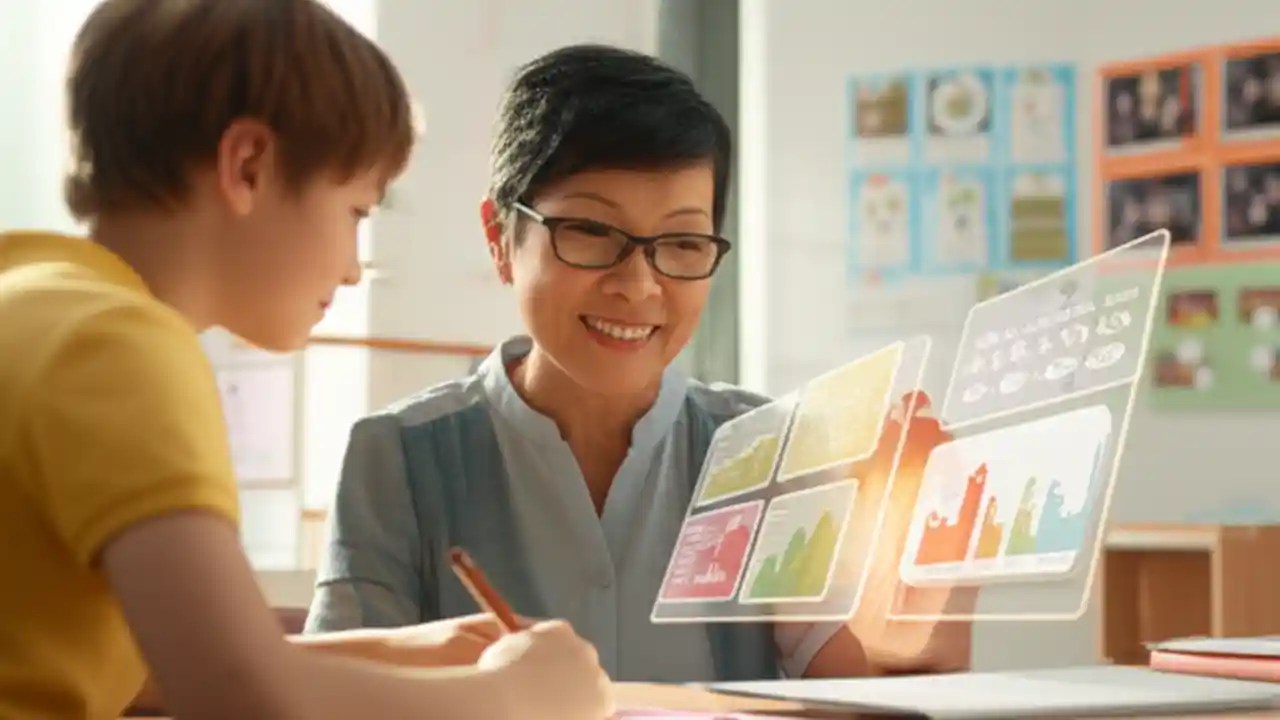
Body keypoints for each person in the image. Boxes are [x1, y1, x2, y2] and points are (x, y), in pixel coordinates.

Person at [0, 1, 614, 718]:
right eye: (356, 211)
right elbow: (237, 693)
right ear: (249, 165)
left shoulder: (36, 301)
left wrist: (401, 650)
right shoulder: (123, 348)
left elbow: (147, 665)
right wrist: (515, 697)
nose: (354, 270)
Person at [307, 44, 970, 680]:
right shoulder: (396, 457)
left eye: (682, 242)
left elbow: (865, 689)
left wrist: (925, 578)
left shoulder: (772, 451)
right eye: (592, 232)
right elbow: (334, 696)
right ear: (500, 239)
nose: (639, 285)